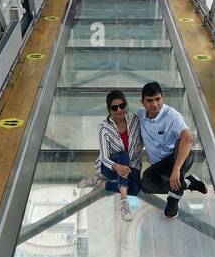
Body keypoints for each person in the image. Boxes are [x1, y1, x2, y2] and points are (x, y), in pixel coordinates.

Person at [135, 81, 207, 220]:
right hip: (159, 165)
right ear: (142, 102)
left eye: (158, 99)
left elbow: (188, 140)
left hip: (179, 157)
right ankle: (189, 183)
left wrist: (176, 169)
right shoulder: (140, 115)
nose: (155, 104)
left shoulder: (172, 115)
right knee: (146, 185)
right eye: (150, 101)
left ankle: (173, 200)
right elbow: (139, 138)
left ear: (163, 98)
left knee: (182, 140)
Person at [77, 89, 144, 222]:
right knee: (123, 155)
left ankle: (97, 181)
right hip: (109, 166)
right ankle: (124, 204)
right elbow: (104, 156)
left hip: (132, 164)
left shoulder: (135, 120)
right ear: (109, 110)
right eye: (114, 108)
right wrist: (117, 167)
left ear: (126, 105)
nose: (119, 110)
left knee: (135, 189)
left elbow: (143, 139)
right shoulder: (104, 127)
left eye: (122, 106)